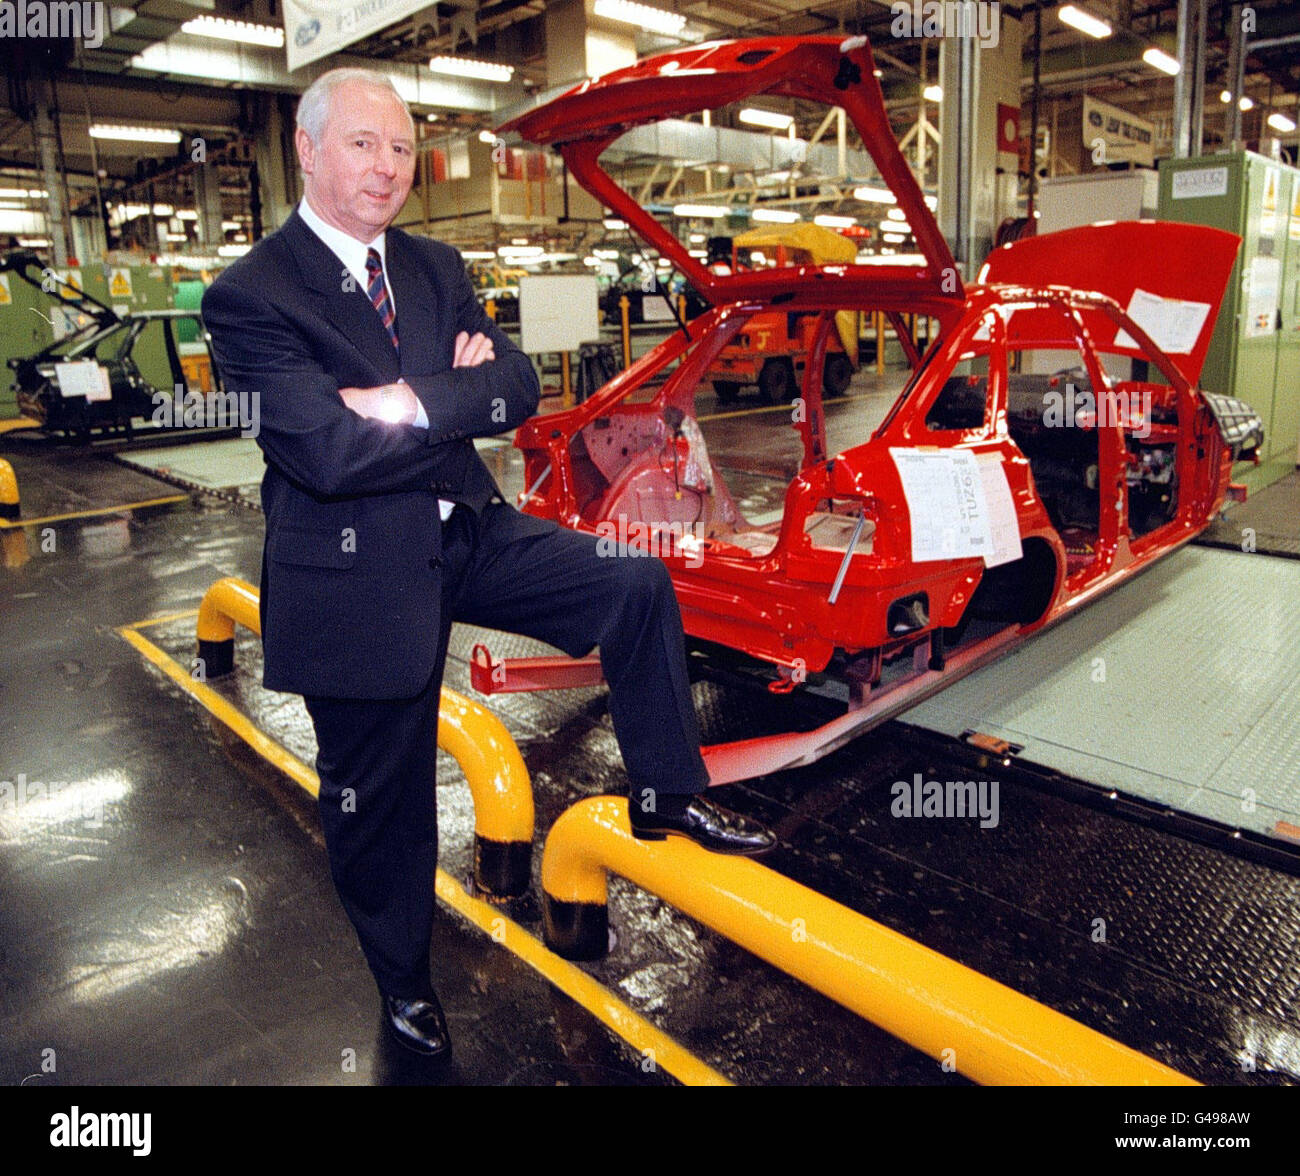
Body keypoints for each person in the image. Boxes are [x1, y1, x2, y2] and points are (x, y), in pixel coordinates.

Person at [201, 67, 776, 1059]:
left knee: (629, 580)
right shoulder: (249, 296)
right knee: (382, 808)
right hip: (353, 570)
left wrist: (403, 403)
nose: (387, 170)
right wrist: (447, 400)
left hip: (464, 527)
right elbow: (325, 456)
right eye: (362, 145)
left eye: (401, 148)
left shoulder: (431, 266)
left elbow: (513, 390)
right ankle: (402, 984)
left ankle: (664, 791)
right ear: (306, 148)